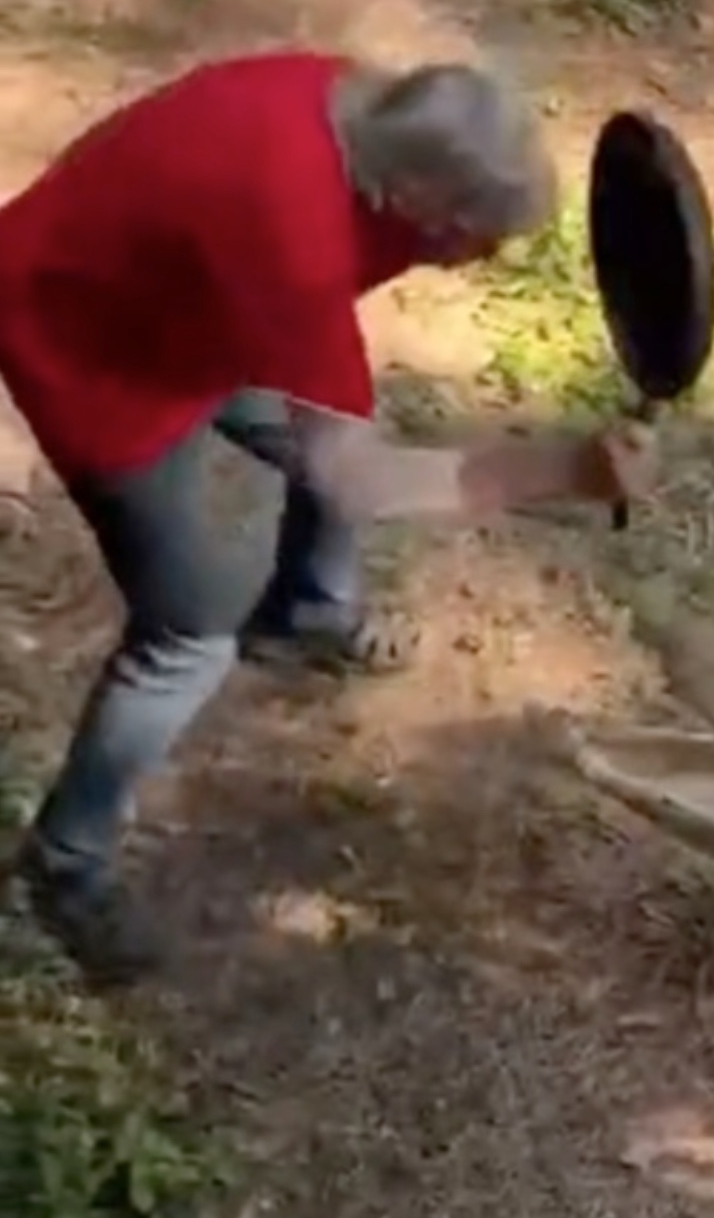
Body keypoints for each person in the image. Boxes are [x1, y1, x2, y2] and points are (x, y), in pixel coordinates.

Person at [0, 51, 659, 984]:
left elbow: (327, 401)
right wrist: (564, 469)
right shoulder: (292, 238)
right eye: (474, 234)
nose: (486, 256)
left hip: (190, 306)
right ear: (416, 192)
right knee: (190, 632)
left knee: (337, 413)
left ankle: (309, 613)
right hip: (88, 348)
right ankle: (63, 864)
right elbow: (360, 480)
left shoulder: (351, 101)